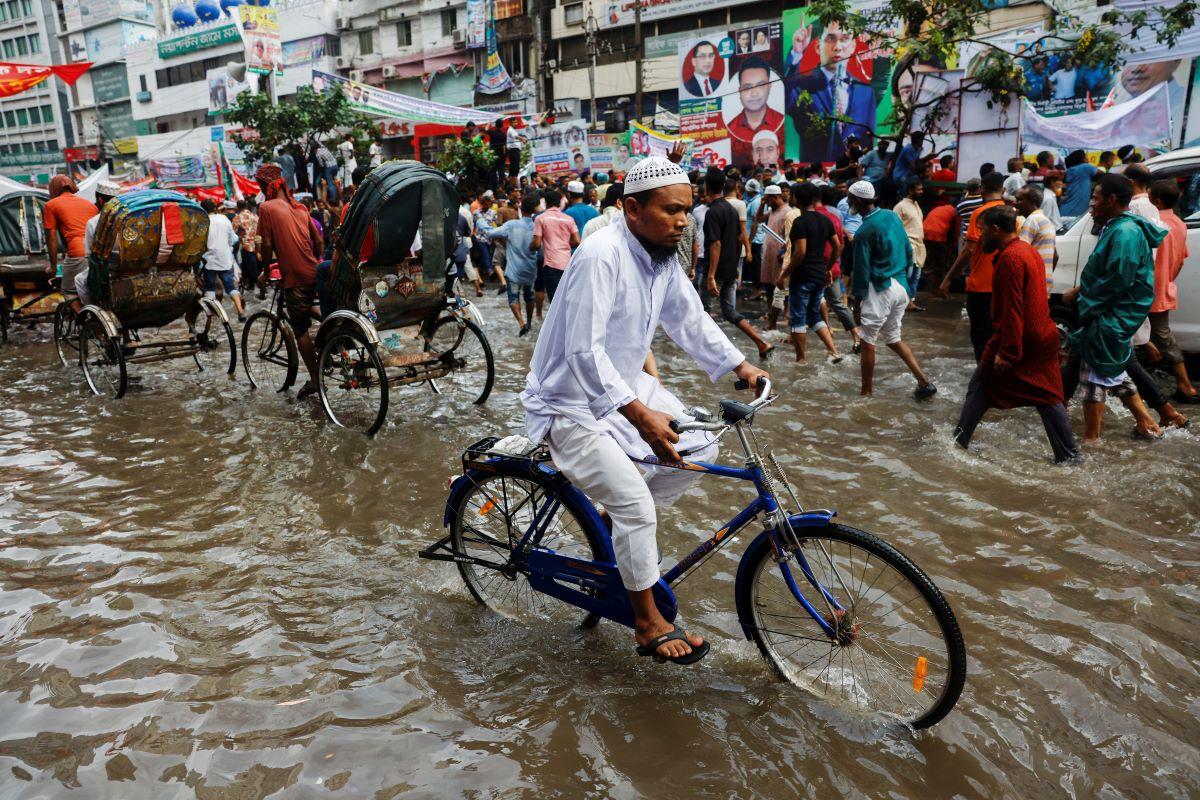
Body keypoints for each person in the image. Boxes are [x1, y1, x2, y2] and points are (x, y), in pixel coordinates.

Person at [520, 155, 769, 665]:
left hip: (626, 386)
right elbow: (583, 353)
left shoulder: (661, 257)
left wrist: (739, 364)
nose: (683, 222)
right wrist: (639, 414)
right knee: (637, 503)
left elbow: (689, 318)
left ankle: (613, 521)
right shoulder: (600, 255)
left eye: (688, 211)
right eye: (672, 211)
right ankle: (646, 621)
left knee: (700, 445)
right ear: (632, 209)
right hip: (570, 400)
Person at [953, 205, 1080, 463]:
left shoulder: (1011, 258)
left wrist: (1008, 351)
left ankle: (956, 446)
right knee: (1047, 396)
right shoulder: (1028, 251)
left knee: (981, 386)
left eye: (984, 230)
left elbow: (1013, 308)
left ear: (996, 229)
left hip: (1020, 338)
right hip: (1042, 335)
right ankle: (1069, 455)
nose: (981, 236)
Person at [1062, 174, 1165, 442]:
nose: (1091, 204)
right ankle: (1149, 423)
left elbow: (1118, 278)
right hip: (1110, 314)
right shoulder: (1117, 227)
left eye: (1095, 198)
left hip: (1110, 314)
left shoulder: (1124, 232)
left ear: (1111, 200)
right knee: (1111, 368)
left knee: (1094, 373)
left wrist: (1088, 300)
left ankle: (1091, 439)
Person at [846, 180, 937, 399]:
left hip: (880, 289)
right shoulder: (891, 216)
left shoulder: (863, 232)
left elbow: (861, 272)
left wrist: (856, 304)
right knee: (893, 338)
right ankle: (924, 382)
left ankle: (866, 393)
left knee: (868, 340)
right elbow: (907, 251)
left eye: (850, 198)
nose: (848, 202)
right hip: (901, 287)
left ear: (857, 200)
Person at [255, 163, 324, 397]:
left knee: (300, 329)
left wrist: (265, 270)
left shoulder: (266, 207)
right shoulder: (301, 207)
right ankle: (330, 333)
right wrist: (313, 260)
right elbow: (320, 241)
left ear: (265, 186)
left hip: (294, 277)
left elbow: (265, 244)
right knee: (310, 309)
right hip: (315, 271)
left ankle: (315, 380)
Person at [703, 171, 774, 359]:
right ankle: (761, 342)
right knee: (730, 312)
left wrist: (710, 276)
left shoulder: (713, 212)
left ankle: (715, 356)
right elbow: (740, 237)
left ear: (707, 188)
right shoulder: (732, 210)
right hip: (730, 269)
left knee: (705, 312)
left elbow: (716, 244)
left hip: (716, 270)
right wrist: (735, 266)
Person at [939, 170, 1006, 360]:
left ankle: (983, 382)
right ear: (1003, 189)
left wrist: (948, 278)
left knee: (980, 341)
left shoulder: (980, 213)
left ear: (982, 190)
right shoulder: (1011, 213)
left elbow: (968, 250)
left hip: (980, 286)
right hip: (1002, 285)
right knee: (997, 338)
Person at [786, 20, 876, 163]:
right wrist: (797, 53)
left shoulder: (865, 92)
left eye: (844, 39)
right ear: (817, 46)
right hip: (818, 176)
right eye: (830, 39)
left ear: (853, 46)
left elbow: (870, 138)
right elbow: (783, 96)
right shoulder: (802, 86)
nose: (837, 47)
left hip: (855, 174)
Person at [1144, 178, 1198, 403]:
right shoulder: (1179, 223)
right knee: (1159, 334)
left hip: (1147, 288)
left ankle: (1184, 385)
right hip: (1164, 285)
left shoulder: (1153, 223)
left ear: (1155, 201)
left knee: (1160, 336)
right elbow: (1182, 259)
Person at [778, 182, 843, 363]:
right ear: (815, 199)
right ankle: (834, 352)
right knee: (814, 315)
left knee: (797, 318)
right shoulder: (825, 220)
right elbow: (838, 246)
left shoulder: (800, 222)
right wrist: (828, 268)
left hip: (803, 276)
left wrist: (784, 275)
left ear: (796, 199)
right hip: (819, 275)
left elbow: (800, 252)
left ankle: (801, 360)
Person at [488, 195, 540, 336]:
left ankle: (521, 323)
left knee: (513, 297)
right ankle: (529, 323)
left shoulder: (512, 225)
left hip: (514, 271)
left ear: (521, 209)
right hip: (530, 270)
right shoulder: (537, 225)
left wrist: (483, 226)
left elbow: (491, 233)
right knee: (529, 297)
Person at [43, 175, 95, 314]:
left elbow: (52, 238)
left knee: (68, 290)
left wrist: (53, 267)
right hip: (96, 253)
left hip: (78, 252)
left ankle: (84, 321)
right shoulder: (89, 204)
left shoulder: (51, 205)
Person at [727, 57, 785, 166]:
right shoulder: (730, 130)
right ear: (739, 91)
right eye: (747, 87)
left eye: (760, 85)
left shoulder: (782, 123)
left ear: (769, 87)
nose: (754, 93)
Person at [72, 180, 121, 307]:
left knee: (79, 280)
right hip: (130, 265)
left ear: (100, 200)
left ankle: (93, 312)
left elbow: (89, 255)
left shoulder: (93, 222)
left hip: (107, 269)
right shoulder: (128, 219)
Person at [199, 198, 245, 322]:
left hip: (208, 261)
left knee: (210, 290)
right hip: (225, 259)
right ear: (215, 208)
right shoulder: (224, 219)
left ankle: (212, 318)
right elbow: (233, 239)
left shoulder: (202, 222)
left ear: (202, 210)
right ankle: (240, 311)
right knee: (231, 287)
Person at [759, 183, 797, 331]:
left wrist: (785, 252)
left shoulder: (788, 212)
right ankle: (772, 314)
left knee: (782, 286)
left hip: (781, 255)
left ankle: (786, 313)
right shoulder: (772, 210)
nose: (766, 202)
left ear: (775, 197)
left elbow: (792, 236)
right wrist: (763, 204)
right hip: (769, 253)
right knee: (769, 285)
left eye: (768, 200)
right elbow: (759, 219)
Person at [531, 188, 579, 301]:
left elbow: (537, 244)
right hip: (567, 263)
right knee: (567, 300)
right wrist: (565, 243)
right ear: (559, 203)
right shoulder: (568, 219)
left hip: (551, 264)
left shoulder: (540, 218)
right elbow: (577, 241)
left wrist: (531, 247)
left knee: (554, 302)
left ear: (546, 203)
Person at [1015, 185, 1056, 294]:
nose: (1016, 203)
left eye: (1020, 199)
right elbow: (1055, 256)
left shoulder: (1032, 220)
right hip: (1043, 283)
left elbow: (1020, 255)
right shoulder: (1046, 220)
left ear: (1032, 201)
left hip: (1032, 285)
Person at [893, 178, 926, 310]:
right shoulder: (900, 206)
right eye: (918, 189)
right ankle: (901, 302)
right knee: (907, 275)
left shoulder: (916, 205)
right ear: (910, 190)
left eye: (921, 189)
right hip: (908, 245)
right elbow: (895, 228)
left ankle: (910, 302)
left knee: (915, 277)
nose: (921, 192)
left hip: (919, 246)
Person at [922, 200, 958, 293]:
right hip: (937, 234)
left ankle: (927, 270)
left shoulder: (939, 208)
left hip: (924, 231)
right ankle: (937, 290)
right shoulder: (954, 211)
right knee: (940, 262)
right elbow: (955, 231)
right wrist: (954, 245)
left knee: (929, 256)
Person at [233, 200, 261, 297]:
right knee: (254, 268)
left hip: (246, 246)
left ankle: (254, 287)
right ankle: (255, 286)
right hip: (257, 246)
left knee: (251, 270)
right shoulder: (254, 216)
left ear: (238, 207)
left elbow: (233, 234)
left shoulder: (238, 217)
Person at [1060, 150, 1098, 218]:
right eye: (1086, 157)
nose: (1088, 159)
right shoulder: (1084, 167)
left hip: (1064, 212)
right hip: (1074, 215)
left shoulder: (1070, 170)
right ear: (1083, 159)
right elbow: (1104, 175)